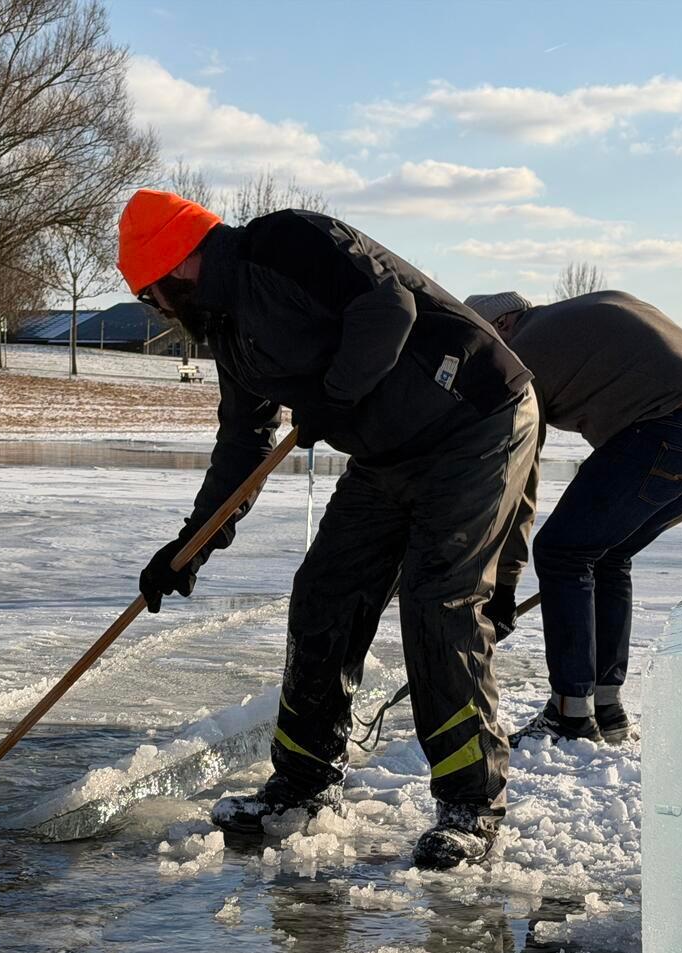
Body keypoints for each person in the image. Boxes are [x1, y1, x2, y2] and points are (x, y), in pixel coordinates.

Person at [119, 188, 538, 870]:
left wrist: (334, 395)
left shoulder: (285, 242)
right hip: (384, 452)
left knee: (437, 605)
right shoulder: (229, 330)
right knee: (323, 596)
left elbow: (387, 307)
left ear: (176, 270)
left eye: (150, 296)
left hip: (472, 418)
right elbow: (244, 441)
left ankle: (470, 805)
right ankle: (302, 783)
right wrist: (191, 545)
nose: (157, 311)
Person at [464, 289, 682, 745]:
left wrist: (503, 587)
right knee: (607, 555)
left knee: (562, 551)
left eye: (481, 340)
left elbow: (519, 477)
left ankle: (570, 713)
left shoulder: (518, 355)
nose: (484, 355)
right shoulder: (589, 311)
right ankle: (606, 707)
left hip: (674, 424)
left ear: (500, 325)